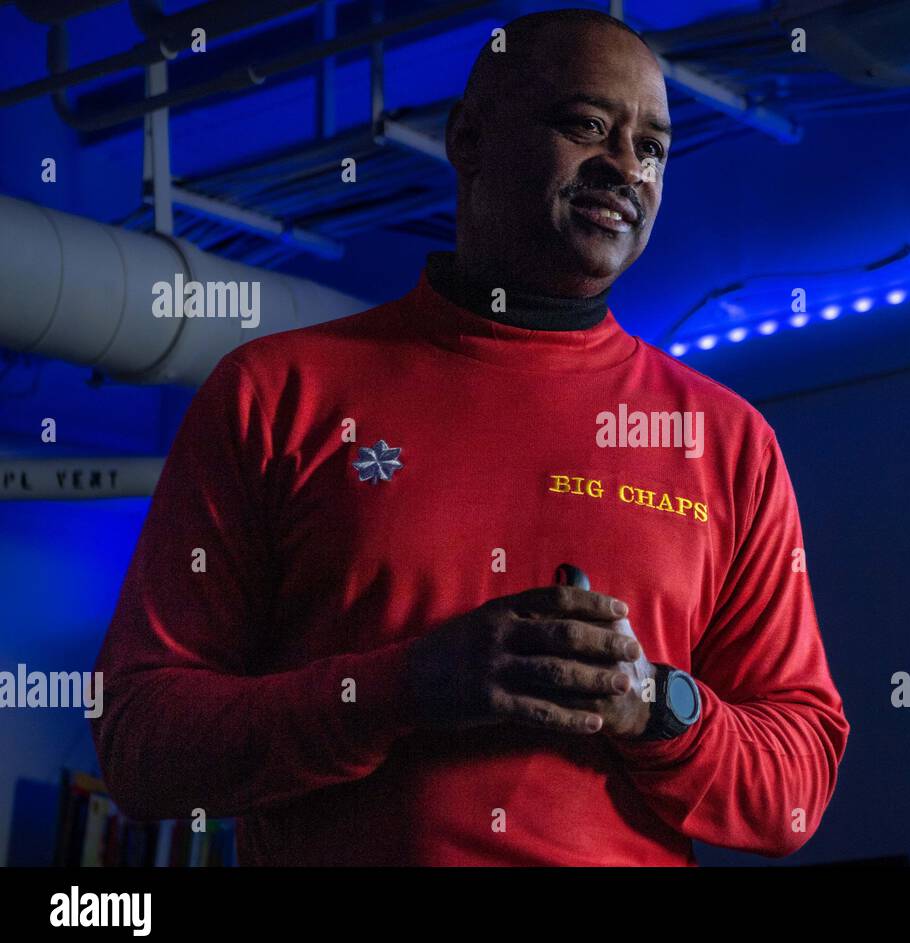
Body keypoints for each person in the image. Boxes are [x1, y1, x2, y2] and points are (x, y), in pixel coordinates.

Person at [92, 7, 850, 865]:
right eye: (586, 125)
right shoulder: (275, 393)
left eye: (653, 147)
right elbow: (142, 744)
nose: (624, 167)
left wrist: (649, 702)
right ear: (468, 139)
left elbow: (795, 792)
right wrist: (403, 688)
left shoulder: (728, 441)